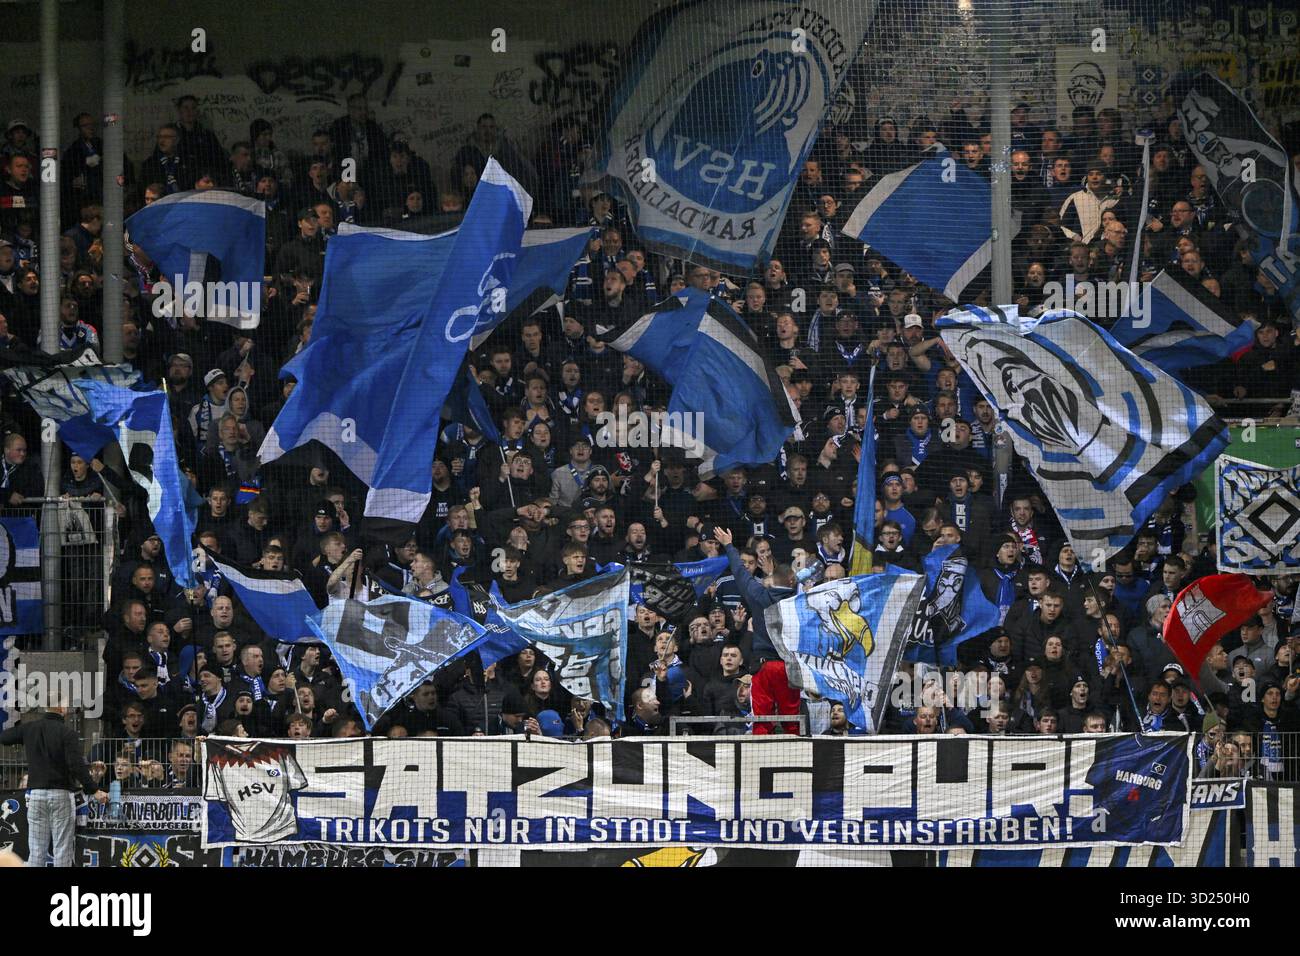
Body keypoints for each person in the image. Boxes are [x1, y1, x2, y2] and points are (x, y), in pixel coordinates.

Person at [0, 701, 108, 866]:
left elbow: (4, 737)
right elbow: (76, 766)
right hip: (61, 795)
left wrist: (27, 737)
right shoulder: (67, 733)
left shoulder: (30, 728)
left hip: (35, 795)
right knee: (62, 849)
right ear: (62, 709)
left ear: (45, 708)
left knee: (36, 851)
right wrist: (93, 790)